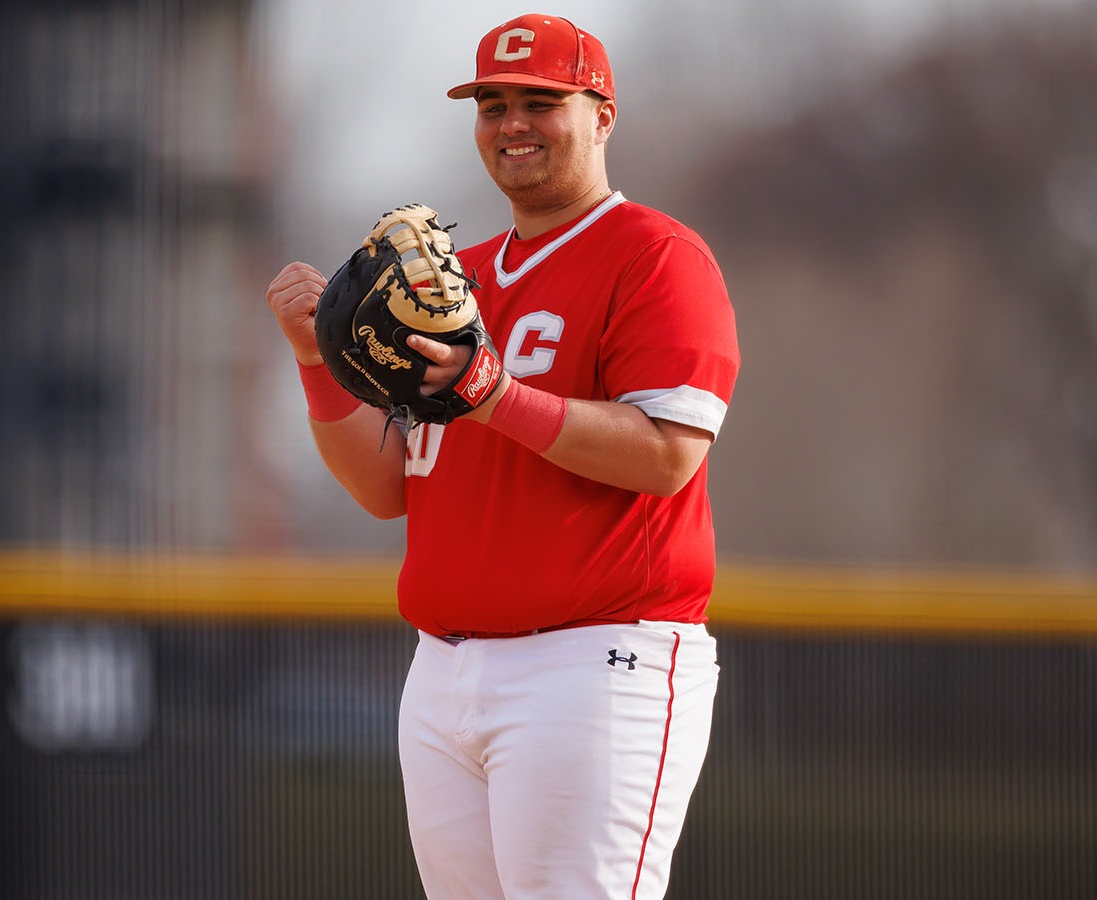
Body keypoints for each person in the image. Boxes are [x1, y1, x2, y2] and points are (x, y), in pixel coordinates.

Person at [264, 13, 740, 899]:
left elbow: (668, 454)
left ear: (601, 115)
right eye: (492, 105)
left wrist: (496, 394)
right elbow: (386, 488)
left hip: (595, 663)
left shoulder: (657, 257)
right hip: (443, 671)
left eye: (540, 101)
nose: (512, 123)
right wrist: (315, 361)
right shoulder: (451, 281)